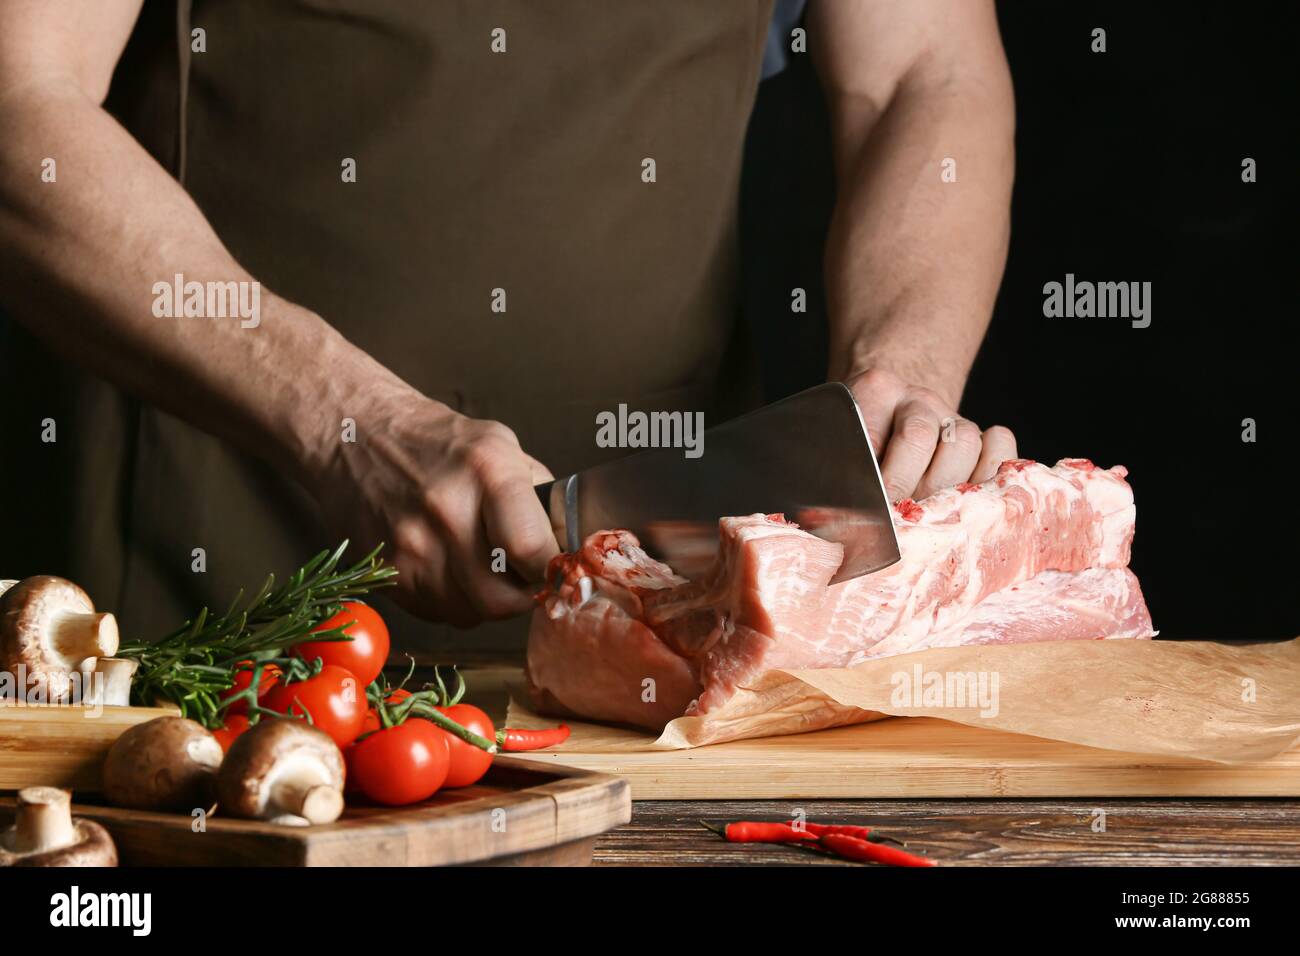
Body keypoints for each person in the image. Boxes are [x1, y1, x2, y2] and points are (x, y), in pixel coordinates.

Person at [0, 1, 1016, 652]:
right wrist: (338, 415)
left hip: (676, 604)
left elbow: (925, 71)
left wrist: (901, 370)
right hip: (221, 579)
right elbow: (18, 99)